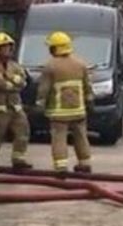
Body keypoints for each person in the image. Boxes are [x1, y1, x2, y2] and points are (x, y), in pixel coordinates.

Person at [36, 31, 94, 176]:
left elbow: (44, 89)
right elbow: (88, 86)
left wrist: (39, 105)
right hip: (78, 110)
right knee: (81, 136)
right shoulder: (80, 64)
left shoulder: (50, 66)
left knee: (59, 137)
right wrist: (90, 101)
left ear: (55, 48)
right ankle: (85, 163)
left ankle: (61, 166)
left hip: (58, 112)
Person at [0, 32, 32, 173]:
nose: (8, 49)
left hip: (15, 107)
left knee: (23, 131)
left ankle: (18, 160)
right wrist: (12, 84)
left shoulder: (14, 65)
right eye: (4, 47)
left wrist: (12, 80)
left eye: (9, 46)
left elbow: (23, 82)